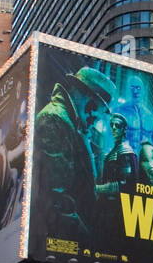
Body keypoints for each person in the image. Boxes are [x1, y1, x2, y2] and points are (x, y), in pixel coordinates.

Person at [34, 68, 116, 247]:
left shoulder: (72, 124)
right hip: (57, 242)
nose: (96, 119)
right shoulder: (55, 120)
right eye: (97, 110)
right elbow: (57, 199)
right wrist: (90, 245)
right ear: (87, 100)